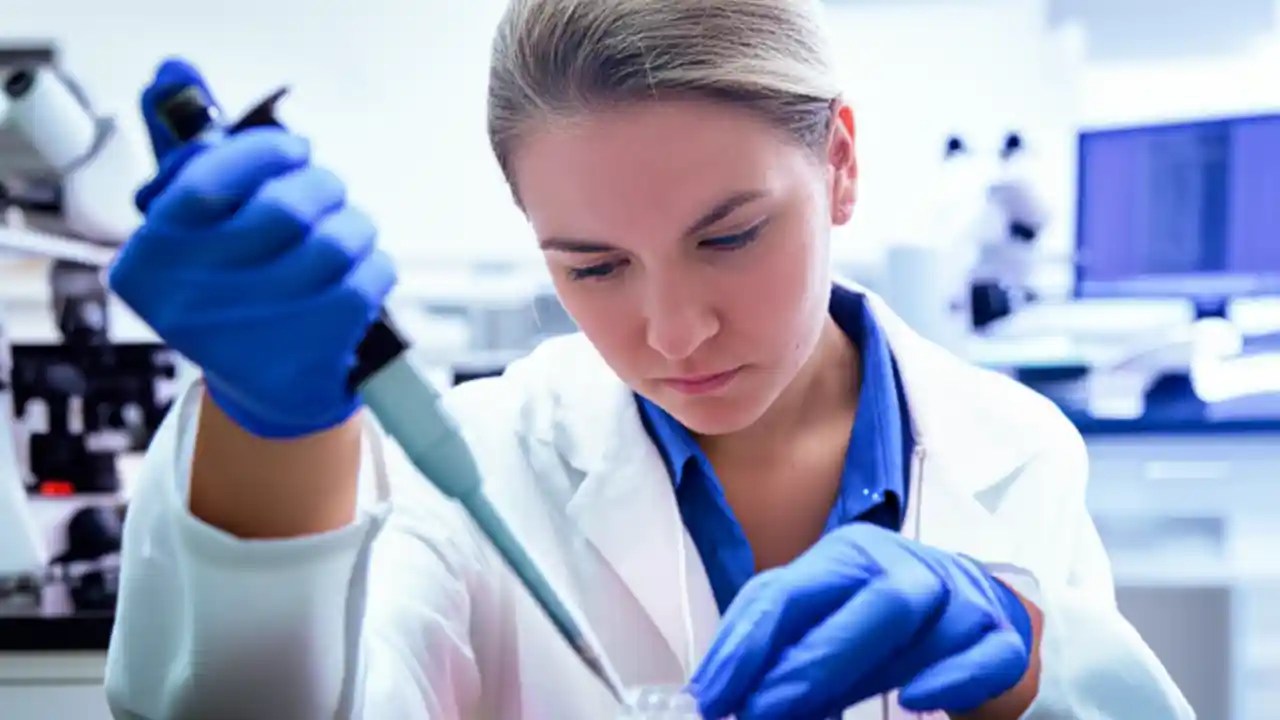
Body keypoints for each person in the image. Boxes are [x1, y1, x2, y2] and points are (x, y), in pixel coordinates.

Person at [102, 1, 1192, 719]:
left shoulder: (1015, 450)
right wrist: (264, 436)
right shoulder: (468, 475)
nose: (671, 335)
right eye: (591, 266)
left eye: (729, 237)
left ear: (841, 166)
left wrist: (1030, 671)